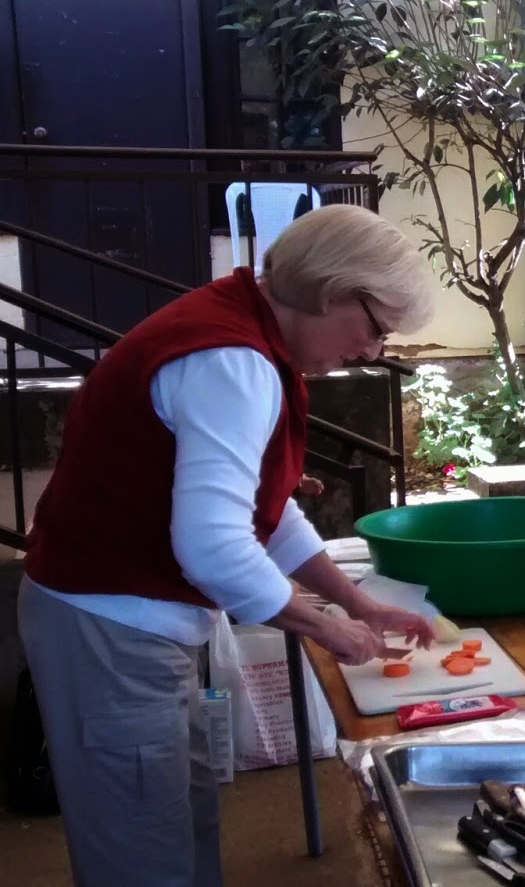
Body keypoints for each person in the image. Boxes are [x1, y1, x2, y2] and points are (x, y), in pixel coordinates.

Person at [18, 204, 439, 887]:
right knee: (142, 851)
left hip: (133, 620)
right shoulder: (231, 361)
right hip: (110, 624)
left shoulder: (250, 335)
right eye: (376, 329)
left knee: (183, 816)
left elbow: (263, 513)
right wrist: (324, 627)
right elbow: (214, 546)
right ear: (333, 291)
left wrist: (357, 603)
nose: (372, 351)